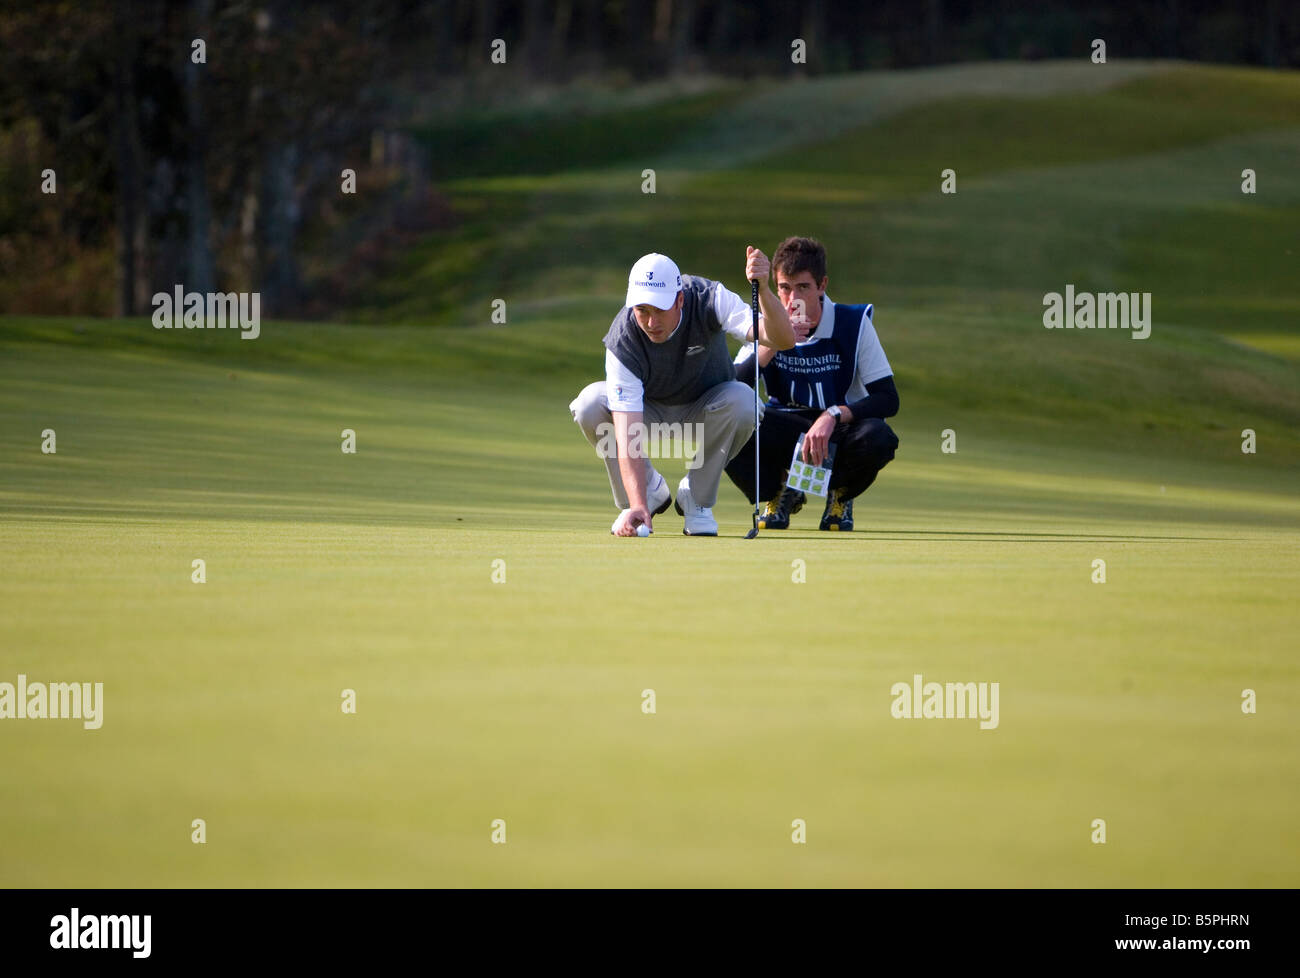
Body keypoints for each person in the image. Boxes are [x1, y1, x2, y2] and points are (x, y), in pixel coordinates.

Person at [570, 248, 795, 536]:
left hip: (706, 412)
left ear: (679, 300)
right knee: (589, 403)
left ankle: (696, 499)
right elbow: (627, 429)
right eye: (642, 311)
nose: (651, 323)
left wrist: (763, 290)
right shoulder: (622, 339)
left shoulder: (710, 299)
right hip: (646, 415)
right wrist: (637, 502)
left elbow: (783, 339)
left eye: (659, 310)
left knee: (745, 401)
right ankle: (646, 496)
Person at [725, 236, 899, 531]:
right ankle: (778, 492)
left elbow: (888, 399)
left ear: (822, 285)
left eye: (803, 287)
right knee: (725, 423)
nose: (793, 300)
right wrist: (776, 342)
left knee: (878, 436)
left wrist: (833, 414)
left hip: (839, 431)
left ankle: (841, 494)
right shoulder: (764, 325)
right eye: (784, 288)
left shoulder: (853, 324)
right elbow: (730, 391)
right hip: (786, 429)